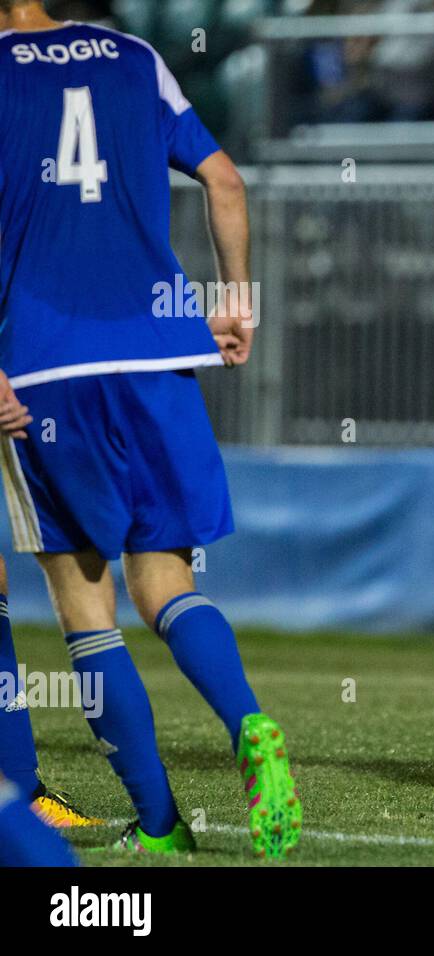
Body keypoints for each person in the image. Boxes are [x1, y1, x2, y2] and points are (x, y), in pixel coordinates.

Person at [0, 1, 302, 854]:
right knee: (167, 582)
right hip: (158, 352)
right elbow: (227, 180)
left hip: (46, 367)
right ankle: (248, 723)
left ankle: (164, 826)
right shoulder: (136, 56)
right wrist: (235, 302)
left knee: (87, 612)